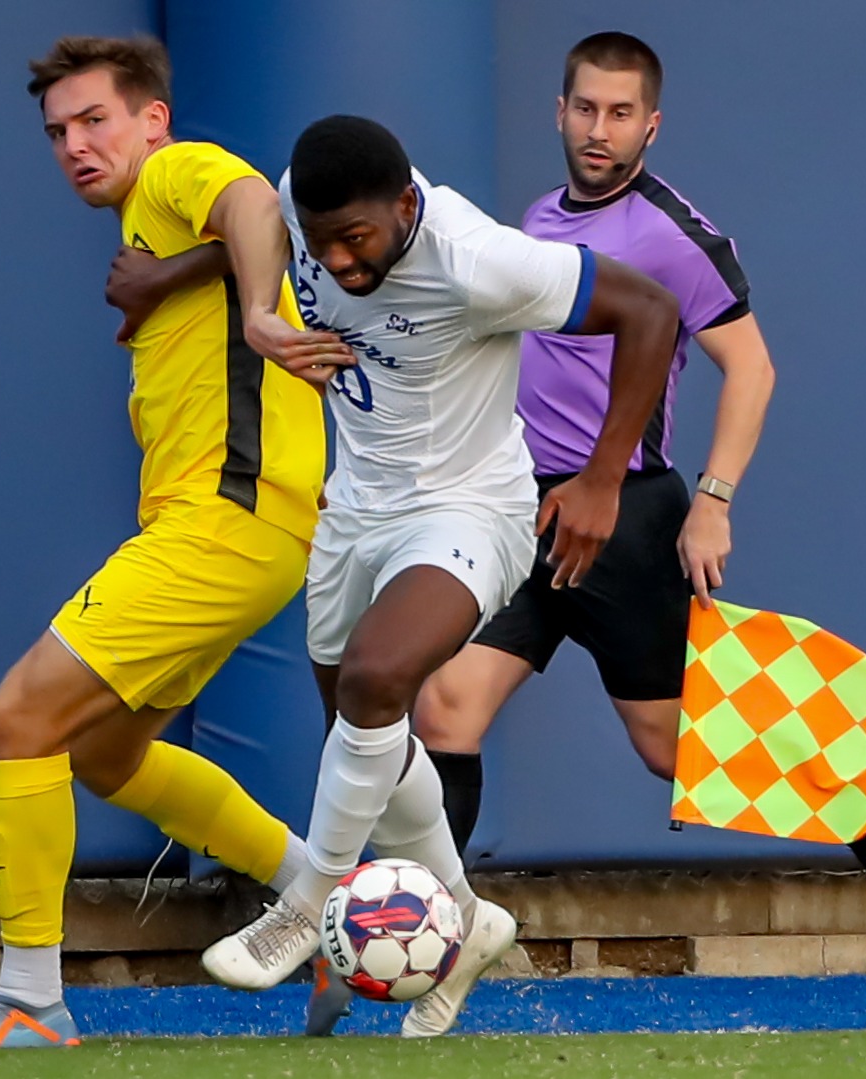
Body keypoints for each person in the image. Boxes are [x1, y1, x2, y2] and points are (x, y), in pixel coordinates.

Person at [410, 31, 866, 950]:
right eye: (584, 109)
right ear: (559, 112)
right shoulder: (537, 218)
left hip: (623, 522)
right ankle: (435, 941)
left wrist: (715, 499)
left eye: (620, 114)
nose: (599, 131)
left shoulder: (671, 234)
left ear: (652, 124)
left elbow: (755, 367)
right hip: (519, 513)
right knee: (445, 708)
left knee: (666, 747)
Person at [0, 34, 352, 1051]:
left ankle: (27, 1001)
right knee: (107, 752)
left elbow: (255, 204)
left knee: (18, 718)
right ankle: (324, 901)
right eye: (57, 131)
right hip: (246, 531)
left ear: (152, 118)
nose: (73, 144)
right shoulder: (151, 237)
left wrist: (249, 312)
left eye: (94, 119)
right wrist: (181, 286)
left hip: (224, 522)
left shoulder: (175, 175)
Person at [197, 115, 685, 1039]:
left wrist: (603, 478)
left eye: (359, 239)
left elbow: (651, 311)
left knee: (381, 683)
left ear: (406, 207)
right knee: (361, 723)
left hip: (471, 510)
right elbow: (257, 209)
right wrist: (261, 314)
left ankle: (310, 899)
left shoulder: (475, 258)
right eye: (323, 238)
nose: (338, 262)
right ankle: (467, 919)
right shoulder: (307, 194)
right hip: (357, 507)